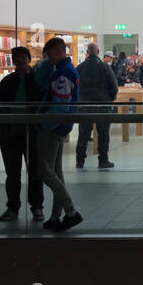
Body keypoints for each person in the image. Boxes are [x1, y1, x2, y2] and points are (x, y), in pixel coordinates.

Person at [0, 45, 46, 222]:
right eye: (18, 57)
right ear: (13, 61)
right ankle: (13, 208)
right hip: (10, 134)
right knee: (12, 175)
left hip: (33, 134)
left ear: (29, 59)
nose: (21, 60)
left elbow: (44, 107)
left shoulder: (38, 80)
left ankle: (37, 207)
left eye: (24, 56)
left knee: (35, 173)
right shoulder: (7, 82)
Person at [35, 37, 84, 232]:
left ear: (57, 51)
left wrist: (44, 122)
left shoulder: (63, 73)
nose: (47, 60)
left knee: (46, 171)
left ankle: (71, 211)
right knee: (56, 172)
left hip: (53, 128)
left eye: (48, 56)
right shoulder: (66, 70)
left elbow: (60, 105)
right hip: (60, 126)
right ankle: (55, 216)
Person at [75, 41, 118, 170]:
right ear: (98, 52)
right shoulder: (105, 67)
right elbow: (113, 86)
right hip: (102, 105)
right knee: (103, 133)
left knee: (83, 133)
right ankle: (103, 159)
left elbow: (74, 86)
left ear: (87, 52)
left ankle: (80, 160)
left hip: (84, 105)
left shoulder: (80, 67)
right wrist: (110, 99)